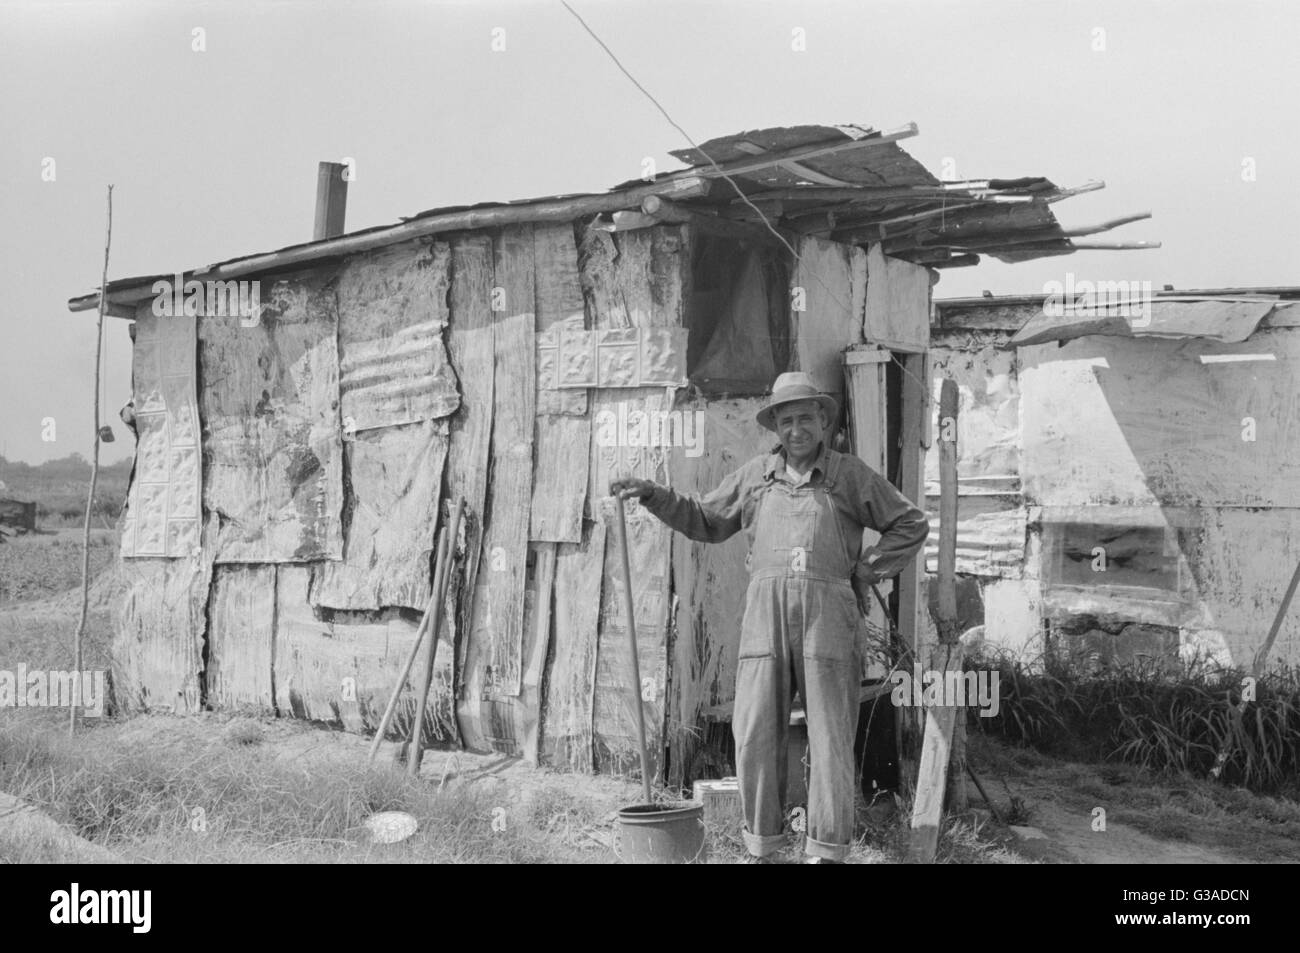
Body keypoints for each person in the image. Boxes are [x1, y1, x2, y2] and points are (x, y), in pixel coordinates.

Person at [611, 371, 929, 863]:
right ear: (776, 427)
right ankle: (763, 847)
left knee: (830, 736)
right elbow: (704, 518)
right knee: (756, 730)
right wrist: (654, 494)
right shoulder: (756, 476)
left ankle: (825, 850)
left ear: (823, 422)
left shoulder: (848, 474)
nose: (796, 428)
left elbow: (909, 521)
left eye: (806, 417)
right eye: (786, 420)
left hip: (829, 618)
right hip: (764, 614)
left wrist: (868, 570)